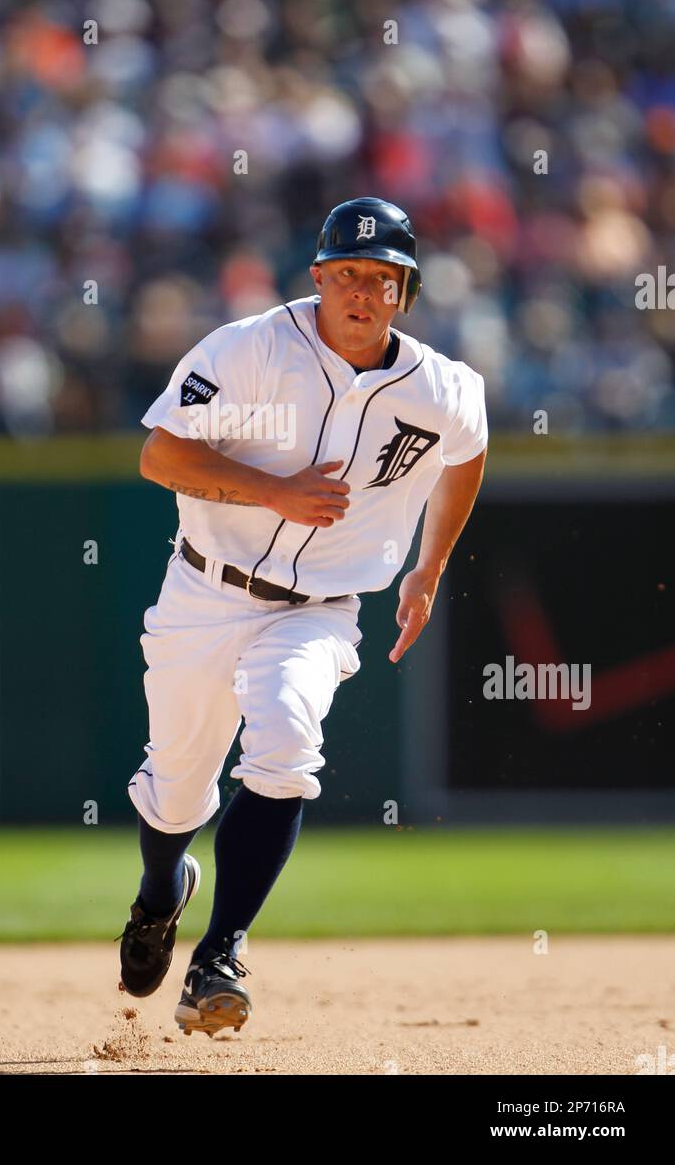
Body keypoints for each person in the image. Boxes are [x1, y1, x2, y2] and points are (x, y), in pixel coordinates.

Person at [116, 198, 488, 1037]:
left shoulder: (440, 387)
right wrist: (276, 490)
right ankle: (158, 894)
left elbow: (468, 451)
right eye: (347, 273)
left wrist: (428, 565)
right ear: (319, 276)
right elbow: (160, 454)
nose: (362, 291)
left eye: (382, 278)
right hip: (206, 592)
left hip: (319, 611)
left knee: (285, 745)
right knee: (177, 791)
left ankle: (220, 955)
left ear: (406, 292)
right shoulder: (248, 349)